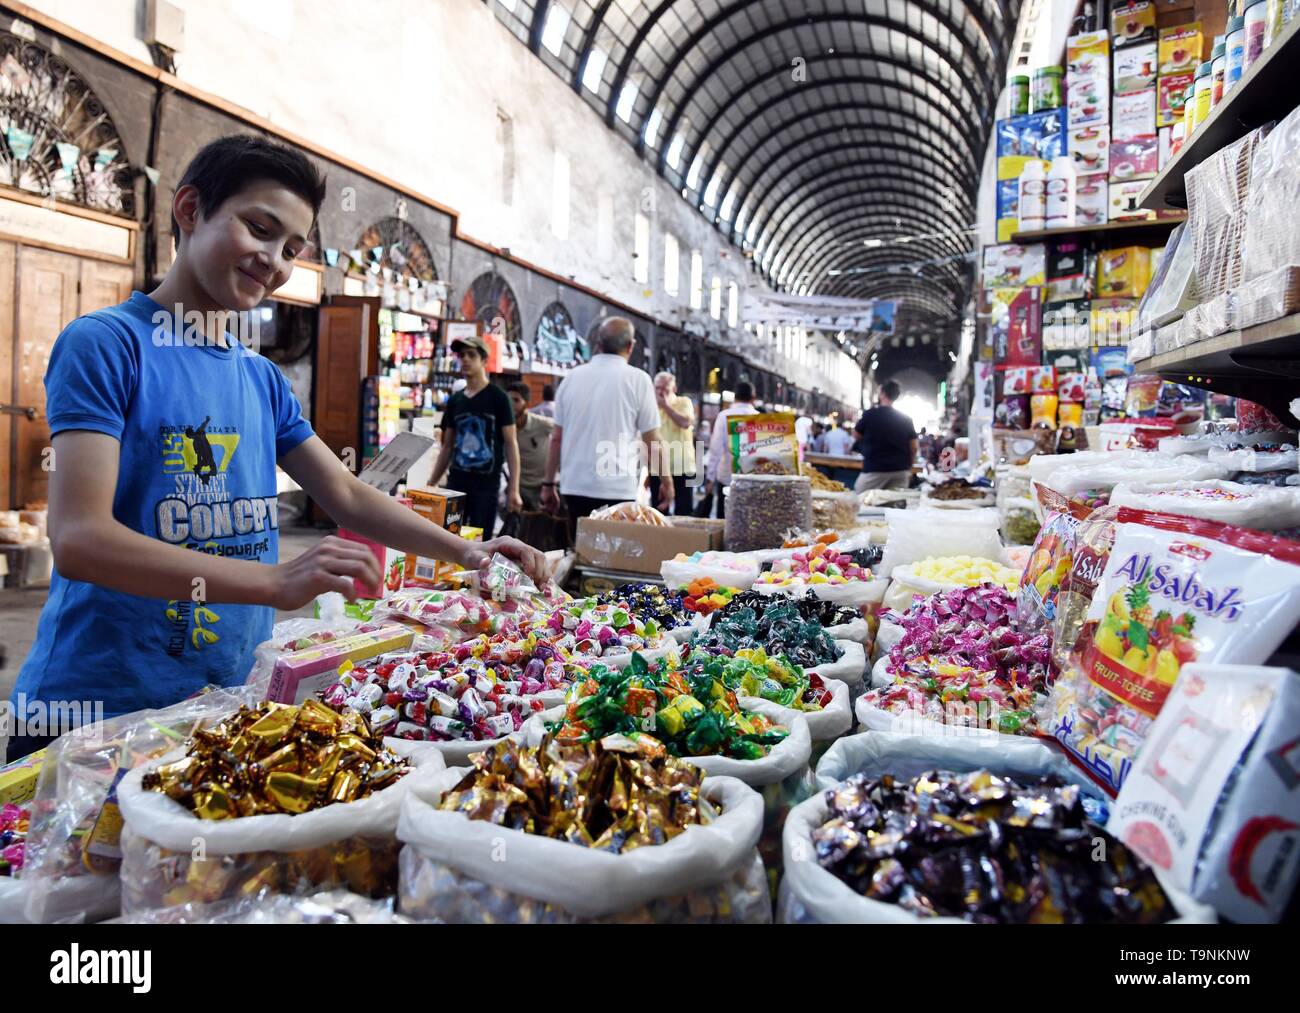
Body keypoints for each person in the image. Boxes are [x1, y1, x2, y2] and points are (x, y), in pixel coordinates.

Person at [6, 135, 548, 764]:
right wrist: (273, 581)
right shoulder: (107, 345)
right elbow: (78, 539)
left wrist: (468, 552)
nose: (274, 261)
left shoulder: (260, 378)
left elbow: (345, 492)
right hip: (94, 710)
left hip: (220, 704)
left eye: (291, 249)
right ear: (188, 209)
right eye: (259, 229)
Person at [540, 318, 672, 542]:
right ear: (631, 346)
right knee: (612, 556)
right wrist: (667, 481)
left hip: (575, 486)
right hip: (617, 489)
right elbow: (652, 439)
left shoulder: (571, 378)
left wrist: (548, 483)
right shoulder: (638, 380)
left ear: (598, 343)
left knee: (578, 553)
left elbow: (556, 439)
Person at [428, 334, 522, 535]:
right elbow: (447, 447)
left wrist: (514, 489)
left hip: (486, 486)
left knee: (482, 542)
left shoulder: (499, 398)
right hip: (456, 483)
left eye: (471, 355)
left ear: (484, 361)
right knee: (450, 538)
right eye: (462, 356)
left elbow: (511, 444)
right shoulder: (455, 401)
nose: (465, 360)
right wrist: (432, 483)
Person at [703, 381, 759, 519]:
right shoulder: (759, 418)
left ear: (735, 397)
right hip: (752, 481)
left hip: (727, 478)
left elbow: (715, 449)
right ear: (753, 398)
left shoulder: (724, 416)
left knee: (725, 521)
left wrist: (710, 478)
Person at [852, 379, 918, 492]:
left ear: (882, 394)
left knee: (861, 501)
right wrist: (909, 467)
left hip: (874, 470)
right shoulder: (906, 419)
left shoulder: (870, 414)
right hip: (900, 471)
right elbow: (914, 447)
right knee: (895, 506)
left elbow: (856, 435)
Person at [650, 370, 697, 516]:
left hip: (682, 468)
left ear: (674, 389)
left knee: (683, 512)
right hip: (658, 469)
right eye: (657, 388)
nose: (660, 392)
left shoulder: (684, 402)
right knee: (659, 512)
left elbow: (685, 422)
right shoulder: (650, 407)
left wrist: (665, 406)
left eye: (665, 388)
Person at [506, 381, 555, 510]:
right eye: (508, 400)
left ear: (526, 404)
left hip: (541, 487)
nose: (511, 405)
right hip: (517, 487)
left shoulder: (542, 424)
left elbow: (562, 435)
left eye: (516, 400)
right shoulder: (504, 428)